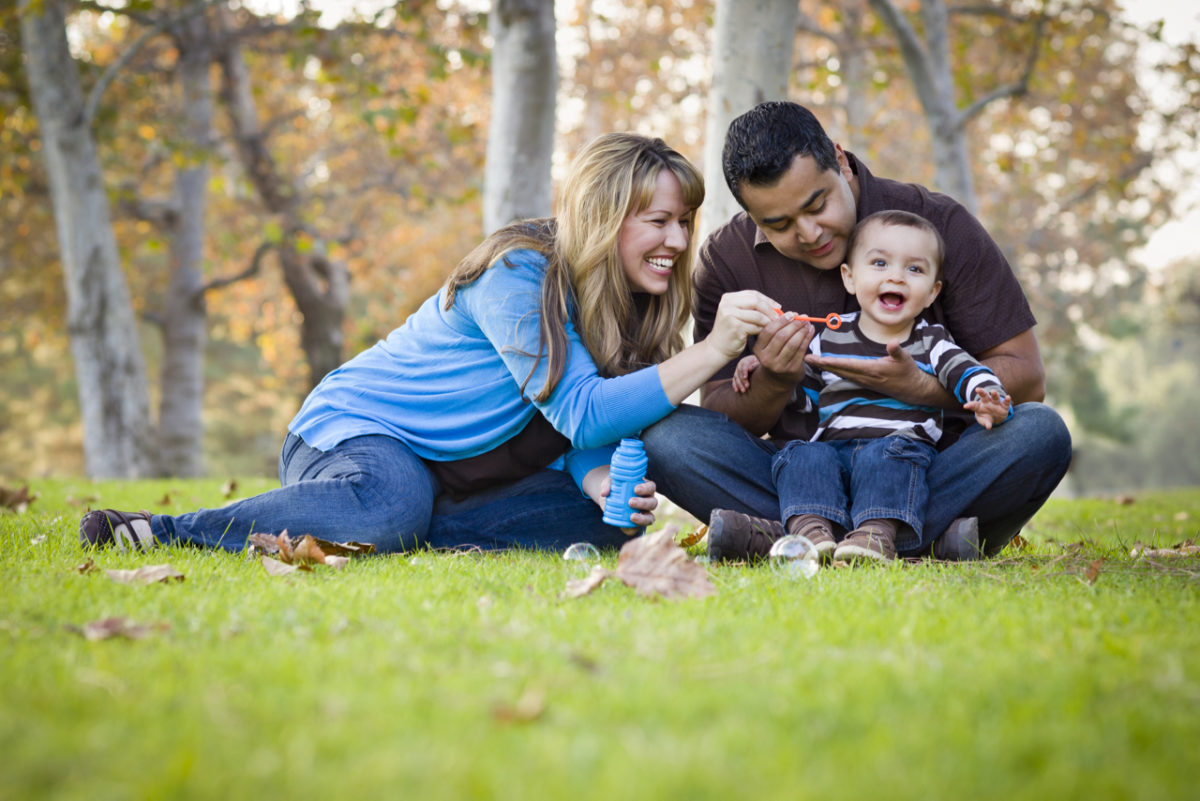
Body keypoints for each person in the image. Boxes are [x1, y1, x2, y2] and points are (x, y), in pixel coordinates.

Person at [79, 133, 782, 555]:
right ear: (604, 215)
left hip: (462, 473)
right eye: (658, 220)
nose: (678, 242)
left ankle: (406, 524)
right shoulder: (520, 270)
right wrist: (717, 347)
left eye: (685, 222)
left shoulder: (626, 299)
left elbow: (582, 429)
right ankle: (167, 530)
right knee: (390, 502)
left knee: (608, 524)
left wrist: (600, 481)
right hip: (356, 435)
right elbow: (585, 410)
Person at [640, 101, 1071, 562]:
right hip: (800, 473)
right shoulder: (727, 259)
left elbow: (1026, 377)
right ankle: (911, 543)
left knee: (1039, 433)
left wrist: (924, 389)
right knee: (663, 434)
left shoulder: (938, 226)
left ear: (841, 162)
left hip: (928, 468)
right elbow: (726, 415)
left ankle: (787, 540)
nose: (808, 233)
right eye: (778, 224)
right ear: (750, 214)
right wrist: (774, 380)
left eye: (817, 204)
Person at [734, 210, 1013, 563]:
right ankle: (812, 531)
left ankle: (875, 535)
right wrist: (769, 371)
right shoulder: (828, 336)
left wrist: (987, 396)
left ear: (932, 292)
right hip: (833, 452)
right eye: (879, 263)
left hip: (896, 451)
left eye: (915, 269)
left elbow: (967, 372)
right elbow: (802, 400)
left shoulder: (931, 340)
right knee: (802, 453)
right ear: (850, 278)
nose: (896, 276)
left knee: (888, 456)